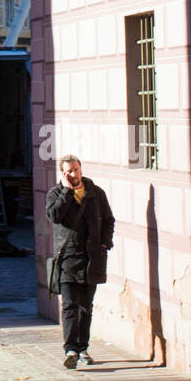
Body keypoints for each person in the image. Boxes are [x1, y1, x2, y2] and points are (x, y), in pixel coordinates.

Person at [46, 154, 115, 369]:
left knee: (86, 307)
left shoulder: (96, 193)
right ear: (63, 173)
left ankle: (83, 348)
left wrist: (105, 243)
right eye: (69, 171)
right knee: (69, 306)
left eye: (76, 170)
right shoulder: (55, 194)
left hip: (92, 258)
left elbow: (109, 219)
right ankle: (70, 349)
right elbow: (54, 216)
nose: (73, 174)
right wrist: (67, 192)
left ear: (81, 169)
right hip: (68, 258)